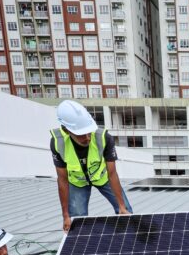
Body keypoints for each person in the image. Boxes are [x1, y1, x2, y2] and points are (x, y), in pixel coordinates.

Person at [51, 99, 132, 232]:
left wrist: (121, 206)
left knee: (126, 213)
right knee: (77, 222)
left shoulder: (104, 138)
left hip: (102, 178)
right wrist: (65, 216)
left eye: (88, 132)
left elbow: (112, 174)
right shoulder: (57, 143)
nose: (87, 137)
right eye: (81, 134)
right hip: (77, 183)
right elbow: (62, 180)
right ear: (66, 130)